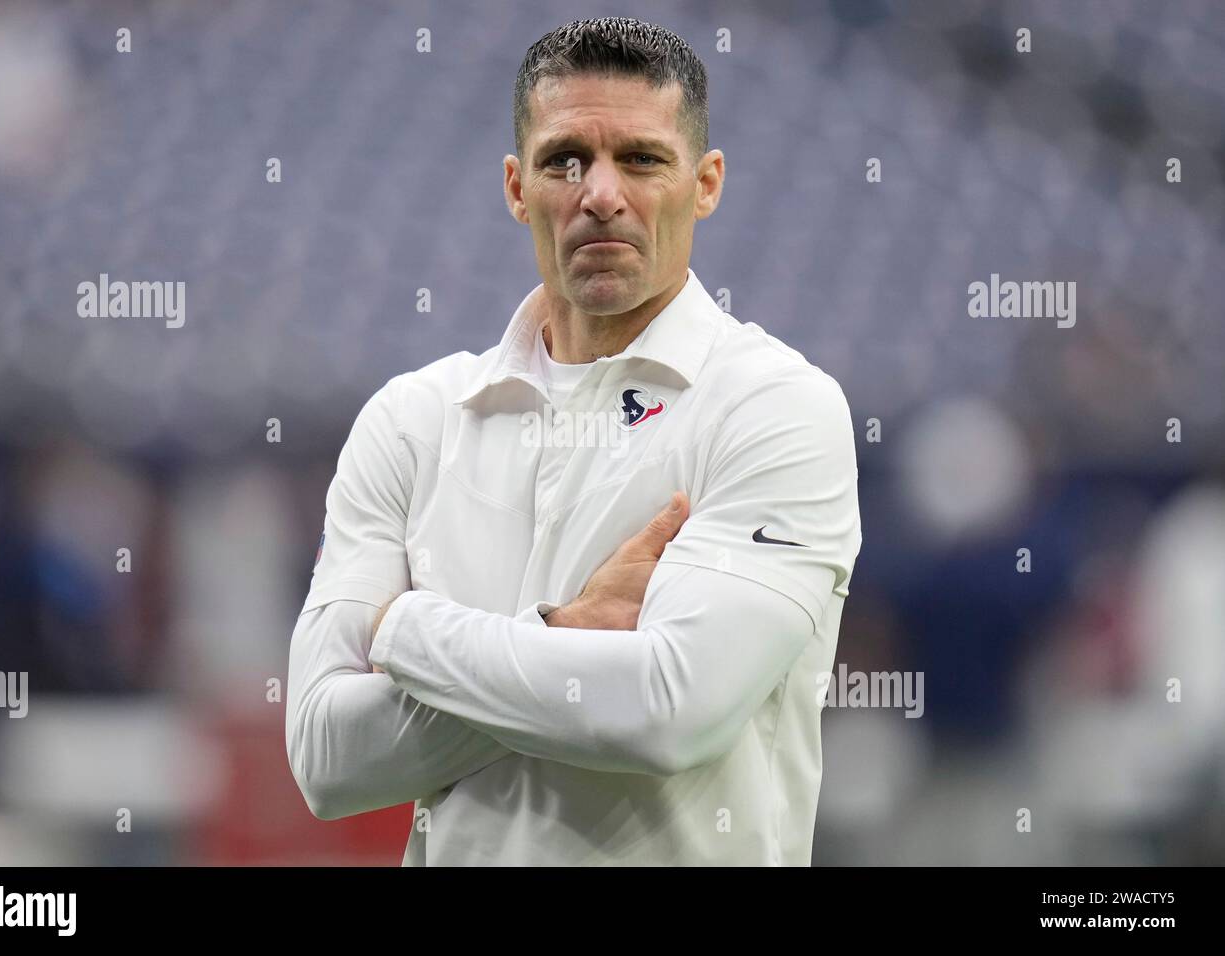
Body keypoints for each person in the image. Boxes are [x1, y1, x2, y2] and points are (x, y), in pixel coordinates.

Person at [285, 16, 862, 865]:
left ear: (705, 184)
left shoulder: (773, 407)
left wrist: (407, 632)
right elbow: (326, 760)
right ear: (517, 187)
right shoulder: (411, 420)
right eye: (564, 160)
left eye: (641, 158)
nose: (600, 193)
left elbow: (669, 713)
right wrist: (566, 632)